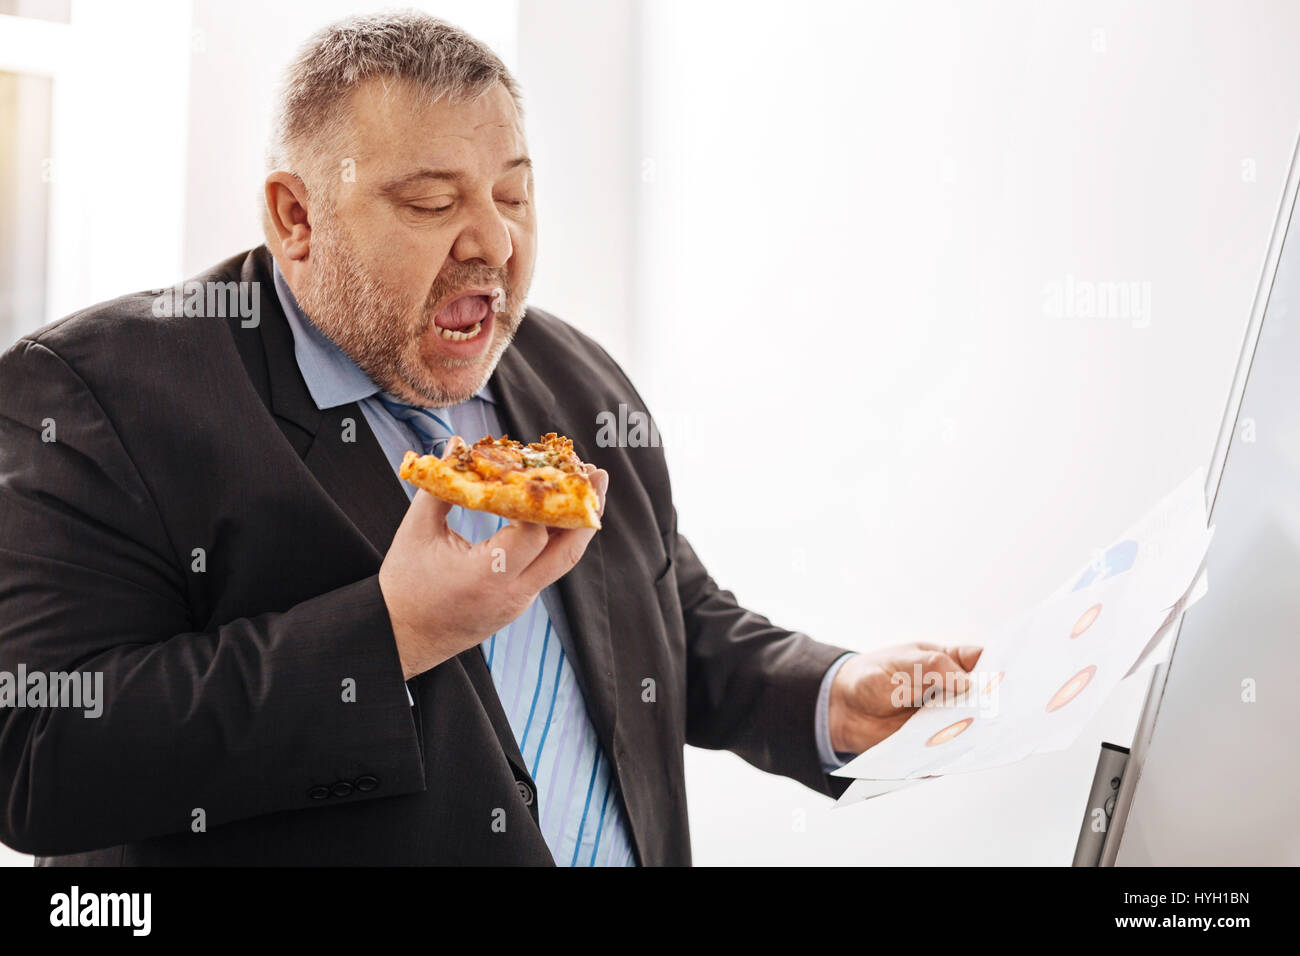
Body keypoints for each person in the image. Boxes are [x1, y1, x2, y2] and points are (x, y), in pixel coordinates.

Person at [0, 12, 980, 866]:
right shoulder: (95, 397)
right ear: (295, 216)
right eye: (431, 202)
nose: (496, 243)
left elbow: (660, 610)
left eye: (513, 193)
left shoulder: (572, 375)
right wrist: (393, 633)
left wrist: (831, 693)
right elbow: (41, 751)